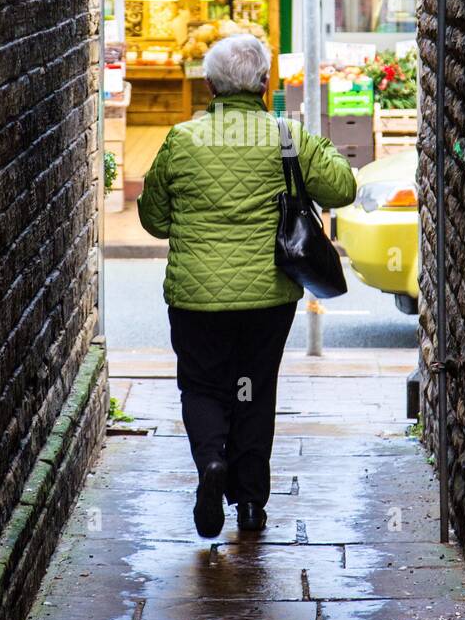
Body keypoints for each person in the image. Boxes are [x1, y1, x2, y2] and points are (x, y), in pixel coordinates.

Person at [138, 34, 356, 538]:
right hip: (267, 299)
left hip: (196, 298)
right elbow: (342, 187)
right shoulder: (286, 136)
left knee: (201, 385)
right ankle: (251, 505)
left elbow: (153, 218)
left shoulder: (182, 139)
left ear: (211, 83)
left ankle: (211, 463)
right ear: (263, 82)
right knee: (255, 390)